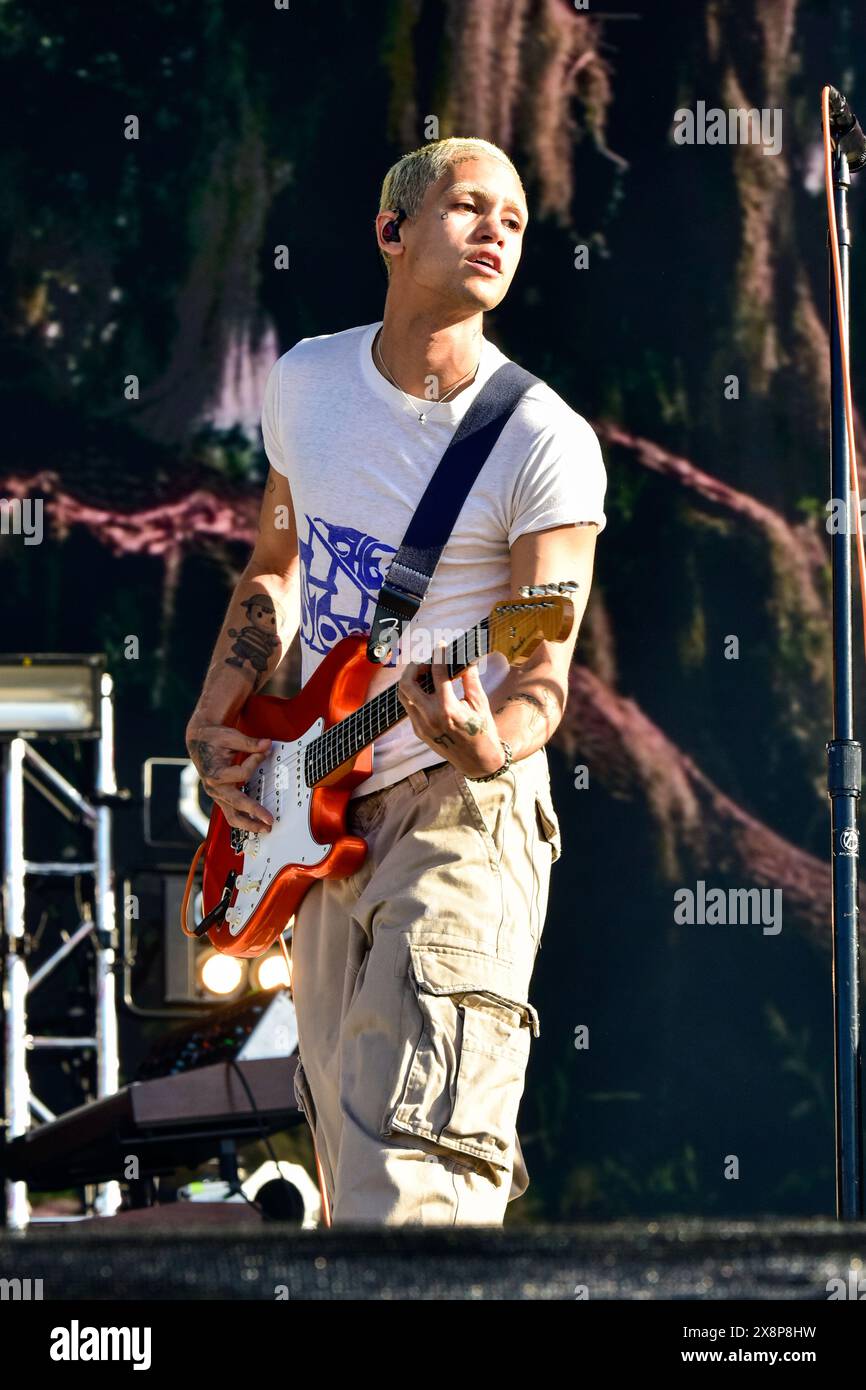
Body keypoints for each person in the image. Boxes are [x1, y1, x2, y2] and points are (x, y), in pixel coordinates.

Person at [185, 136, 607, 1225]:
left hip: (462, 806)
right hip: (319, 812)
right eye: (469, 208)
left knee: (412, 1181)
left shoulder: (542, 440)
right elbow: (276, 563)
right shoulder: (307, 382)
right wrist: (218, 707)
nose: (495, 233)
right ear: (391, 230)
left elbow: (540, 659)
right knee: (344, 1181)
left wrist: (490, 739)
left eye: (513, 221)